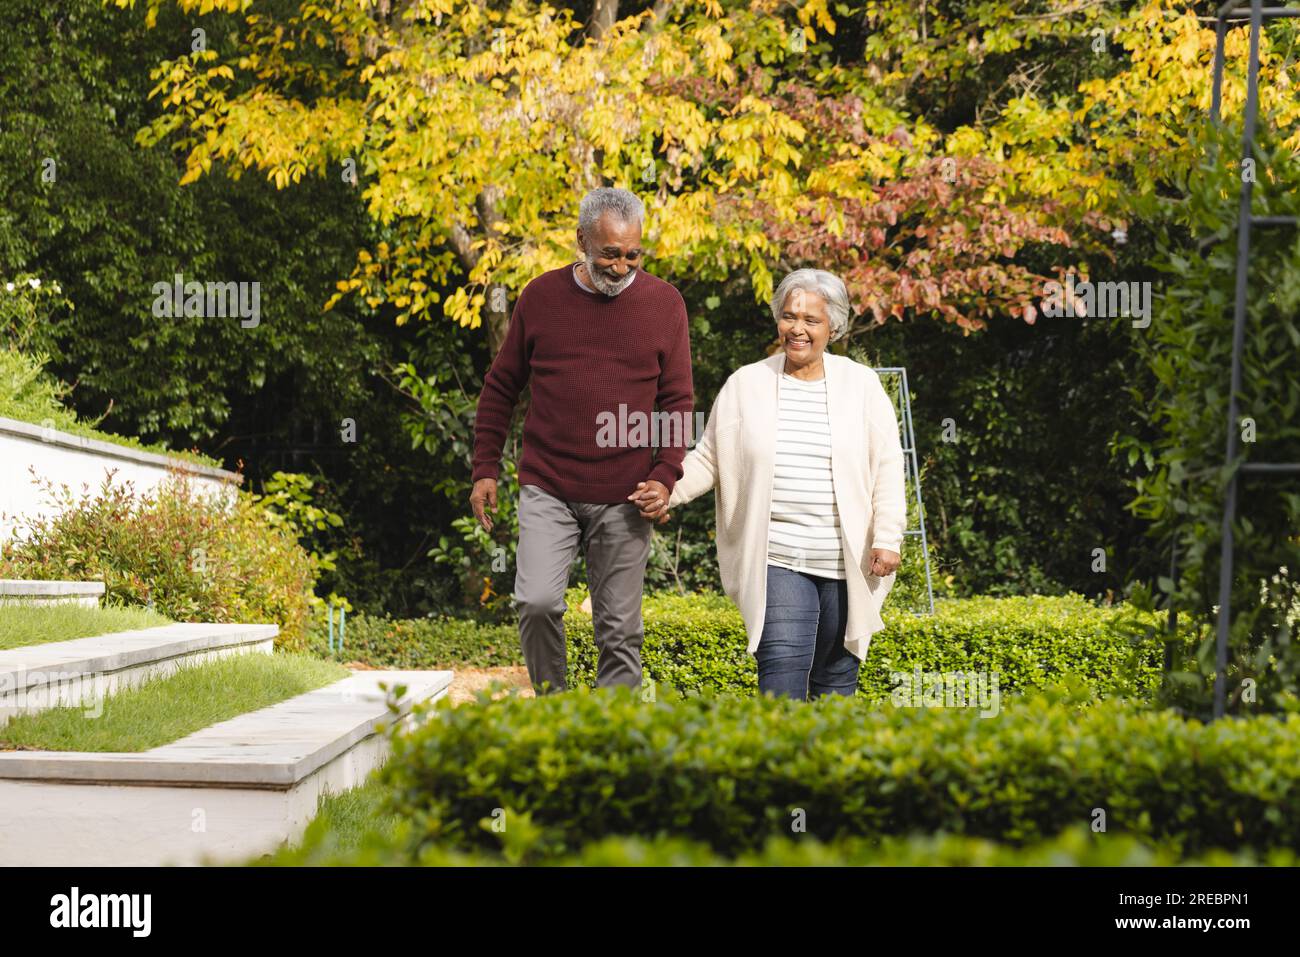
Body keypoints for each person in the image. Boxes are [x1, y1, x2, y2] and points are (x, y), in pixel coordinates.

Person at [631, 268, 905, 699]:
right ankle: (777, 765)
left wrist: (888, 537)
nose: (797, 329)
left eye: (811, 320)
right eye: (789, 316)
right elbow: (709, 457)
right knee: (781, 677)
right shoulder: (747, 384)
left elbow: (889, 466)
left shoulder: (862, 386)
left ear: (833, 326)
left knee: (835, 685)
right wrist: (668, 490)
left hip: (847, 563)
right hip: (777, 557)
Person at [469, 187, 693, 694]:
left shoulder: (664, 304)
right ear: (580, 242)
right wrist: (486, 468)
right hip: (548, 485)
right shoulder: (541, 298)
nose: (621, 266)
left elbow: (676, 401)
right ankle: (556, 710)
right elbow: (501, 386)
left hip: (626, 493)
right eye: (609, 254)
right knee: (537, 602)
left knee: (618, 631)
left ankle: (606, 741)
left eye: (633, 254)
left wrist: (665, 475)